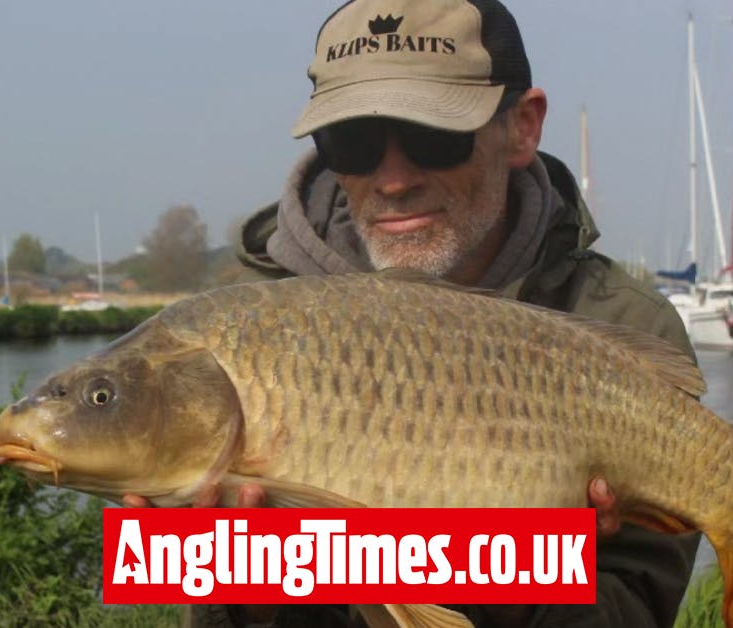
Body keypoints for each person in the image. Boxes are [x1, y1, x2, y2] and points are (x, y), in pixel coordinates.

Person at [127, 0, 700, 625]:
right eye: (352, 142)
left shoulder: (624, 327)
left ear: (523, 126)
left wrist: (508, 576)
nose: (393, 180)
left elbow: (638, 610)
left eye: (435, 135)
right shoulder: (238, 338)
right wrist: (248, 592)